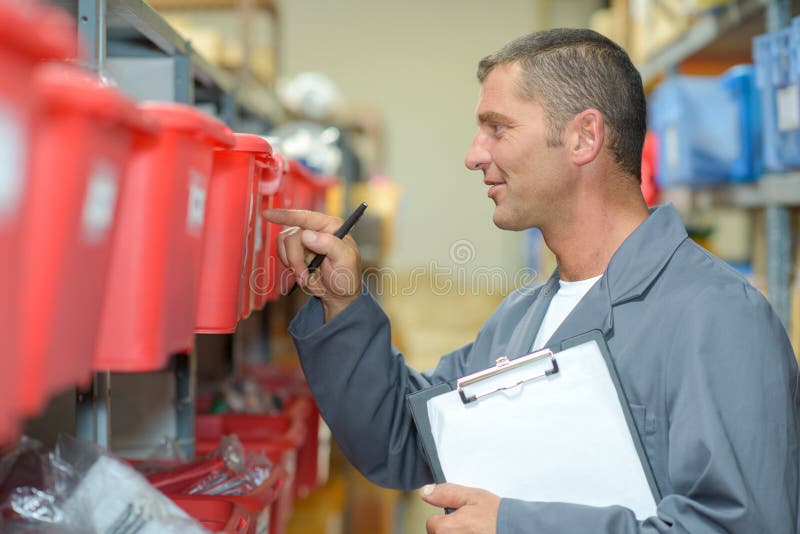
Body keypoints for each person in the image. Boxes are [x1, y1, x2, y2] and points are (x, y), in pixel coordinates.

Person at [264, 28, 800, 534]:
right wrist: (343, 302)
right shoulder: (522, 318)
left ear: (584, 137)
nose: (474, 155)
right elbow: (403, 437)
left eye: (498, 128)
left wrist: (512, 523)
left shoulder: (718, 317)